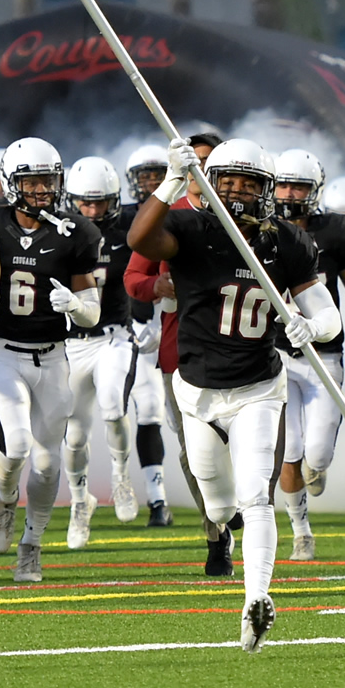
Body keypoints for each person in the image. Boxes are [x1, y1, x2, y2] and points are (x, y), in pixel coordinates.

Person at [127, 137, 340, 653]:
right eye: (229, 181)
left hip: (258, 388)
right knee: (220, 506)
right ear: (211, 184)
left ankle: (256, 599)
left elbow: (328, 314)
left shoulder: (286, 241)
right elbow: (140, 238)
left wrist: (312, 328)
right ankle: (221, 532)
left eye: (250, 183)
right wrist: (171, 181)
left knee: (255, 495)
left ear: (266, 190)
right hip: (197, 392)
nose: (239, 192)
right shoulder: (191, 228)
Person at [0, 138, 101, 580]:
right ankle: (6, 497)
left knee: (48, 463)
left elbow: (92, 312)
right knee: (15, 448)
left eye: (48, 180)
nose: (42, 189)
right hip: (3, 352)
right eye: (31, 181)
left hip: (53, 356)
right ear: (11, 183)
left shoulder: (75, 231)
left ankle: (31, 543)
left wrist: (76, 306)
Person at [125, 132, 234, 574]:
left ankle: (245, 513)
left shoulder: (244, 218)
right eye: (194, 162)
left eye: (209, 163)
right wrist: (157, 285)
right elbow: (134, 277)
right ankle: (216, 535)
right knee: (194, 453)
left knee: (244, 447)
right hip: (183, 351)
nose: (199, 171)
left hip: (243, 348)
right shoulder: (171, 216)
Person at [270, 149, 345, 562]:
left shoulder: (335, 233)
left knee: (318, 454)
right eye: (284, 185)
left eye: (299, 186)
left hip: (324, 353)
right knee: (289, 450)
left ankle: (318, 466)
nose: (290, 194)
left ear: (315, 190)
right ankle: (301, 532)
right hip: (278, 354)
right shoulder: (262, 231)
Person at [60, 155, 138, 548]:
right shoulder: (57, 232)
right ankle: (80, 501)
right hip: (70, 343)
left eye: (100, 202)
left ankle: (122, 477)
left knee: (112, 407)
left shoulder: (127, 230)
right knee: (74, 436)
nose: (92, 211)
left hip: (113, 336)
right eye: (85, 203)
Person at [122, 144, 173, 526]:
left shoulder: (181, 214)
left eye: (159, 174)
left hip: (175, 324)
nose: (152, 181)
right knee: (149, 409)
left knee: (179, 415)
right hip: (134, 329)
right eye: (146, 175)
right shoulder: (122, 219)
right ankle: (157, 499)